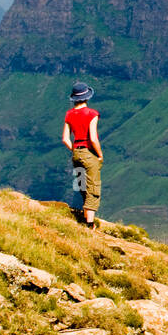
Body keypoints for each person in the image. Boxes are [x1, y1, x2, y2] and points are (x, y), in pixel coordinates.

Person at [62, 82, 103, 229]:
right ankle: (89, 224)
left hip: (76, 154)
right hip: (88, 154)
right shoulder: (92, 114)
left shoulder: (69, 114)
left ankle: (85, 219)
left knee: (82, 185)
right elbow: (93, 138)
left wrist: (75, 149)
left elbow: (65, 139)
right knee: (93, 187)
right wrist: (99, 155)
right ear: (87, 97)